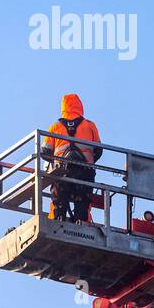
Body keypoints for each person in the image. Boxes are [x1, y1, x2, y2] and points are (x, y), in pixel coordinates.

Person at [43, 94, 102, 223]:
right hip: (84, 171)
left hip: (61, 171)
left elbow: (45, 151)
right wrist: (88, 162)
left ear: (63, 107)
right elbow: (98, 150)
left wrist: (54, 161)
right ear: (80, 106)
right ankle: (81, 222)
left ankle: (59, 219)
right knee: (82, 198)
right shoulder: (90, 126)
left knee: (60, 197)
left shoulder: (55, 127)